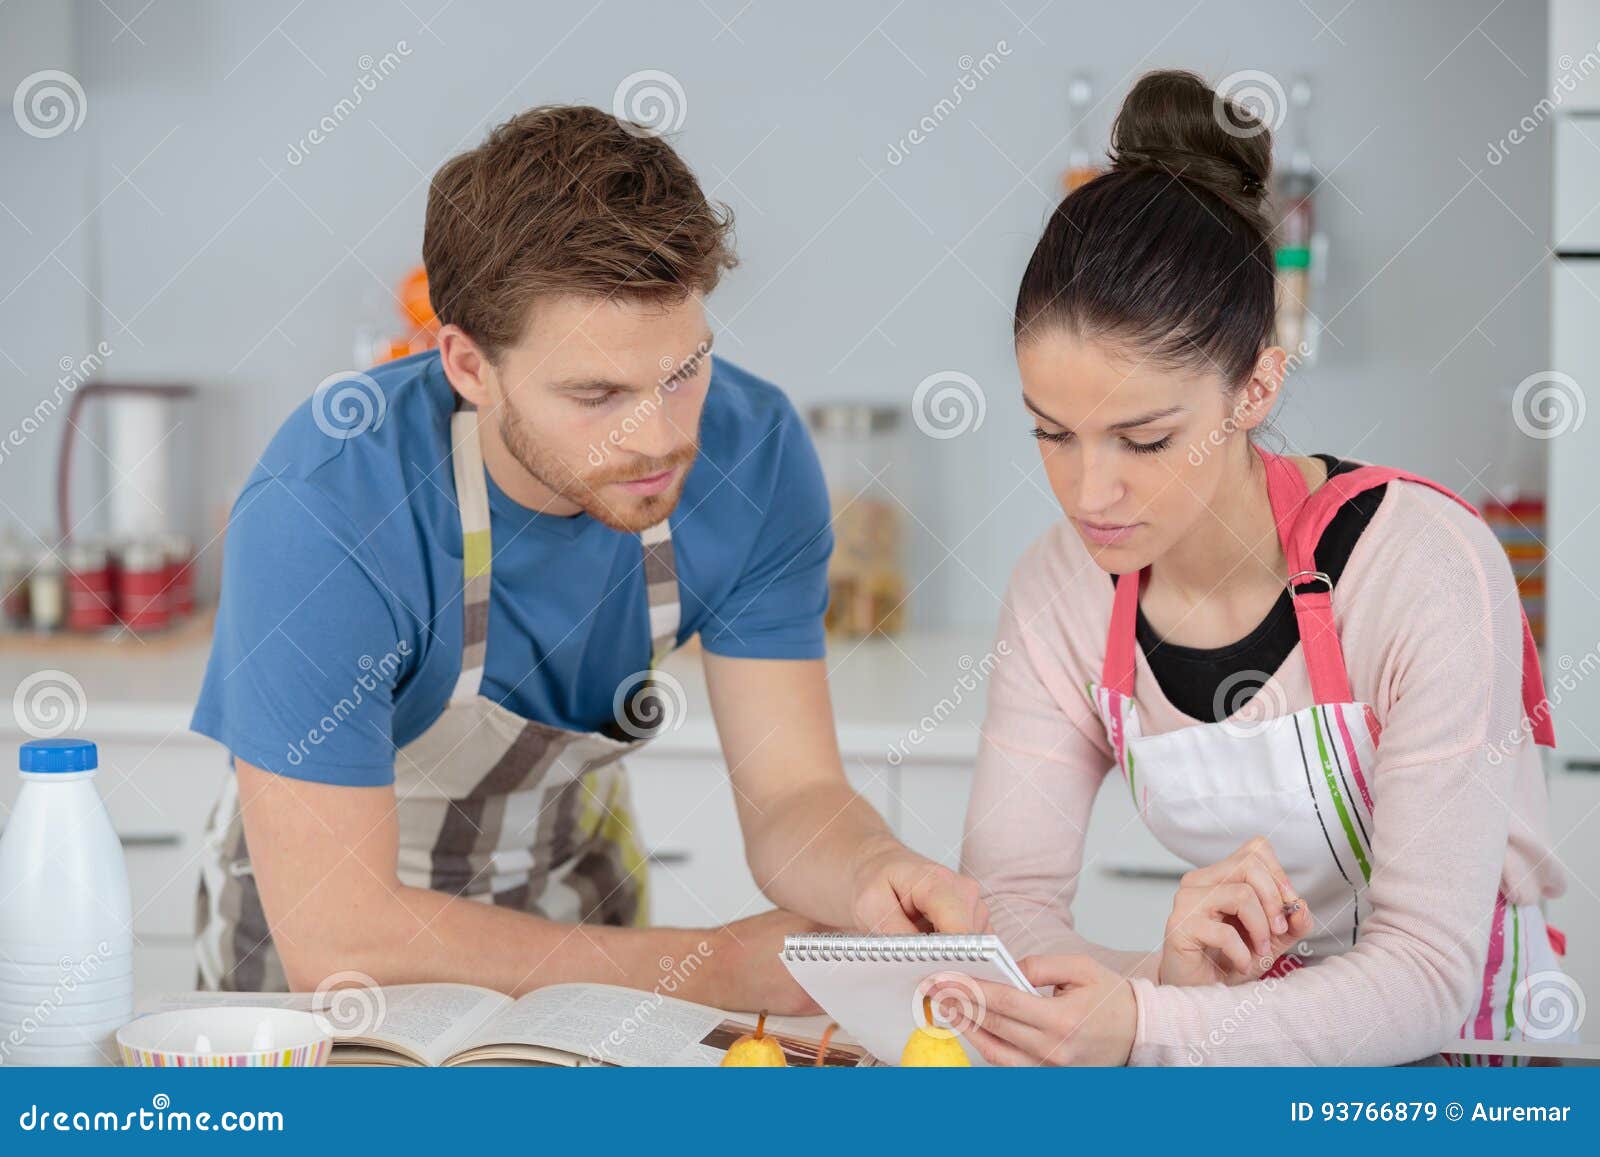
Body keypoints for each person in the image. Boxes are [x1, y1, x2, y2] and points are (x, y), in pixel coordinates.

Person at [190, 105, 984, 1009]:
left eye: (683, 371)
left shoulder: (754, 456)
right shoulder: (328, 511)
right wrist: (714, 969)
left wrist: (872, 867)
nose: (660, 438)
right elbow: (340, 933)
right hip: (330, 962)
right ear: (467, 365)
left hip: (575, 912)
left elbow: (795, 794)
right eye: (597, 393)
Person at [944, 70, 1573, 1065]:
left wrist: (1148, 1020)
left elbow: (1423, 972)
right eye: (1052, 433)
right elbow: (1007, 904)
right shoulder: (1059, 591)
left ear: (1255, 387)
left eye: (1142, 439)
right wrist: (1154, 987)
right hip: (1231, 1053)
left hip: (1460, 1066)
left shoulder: (1420, 570)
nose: (1087, 493)